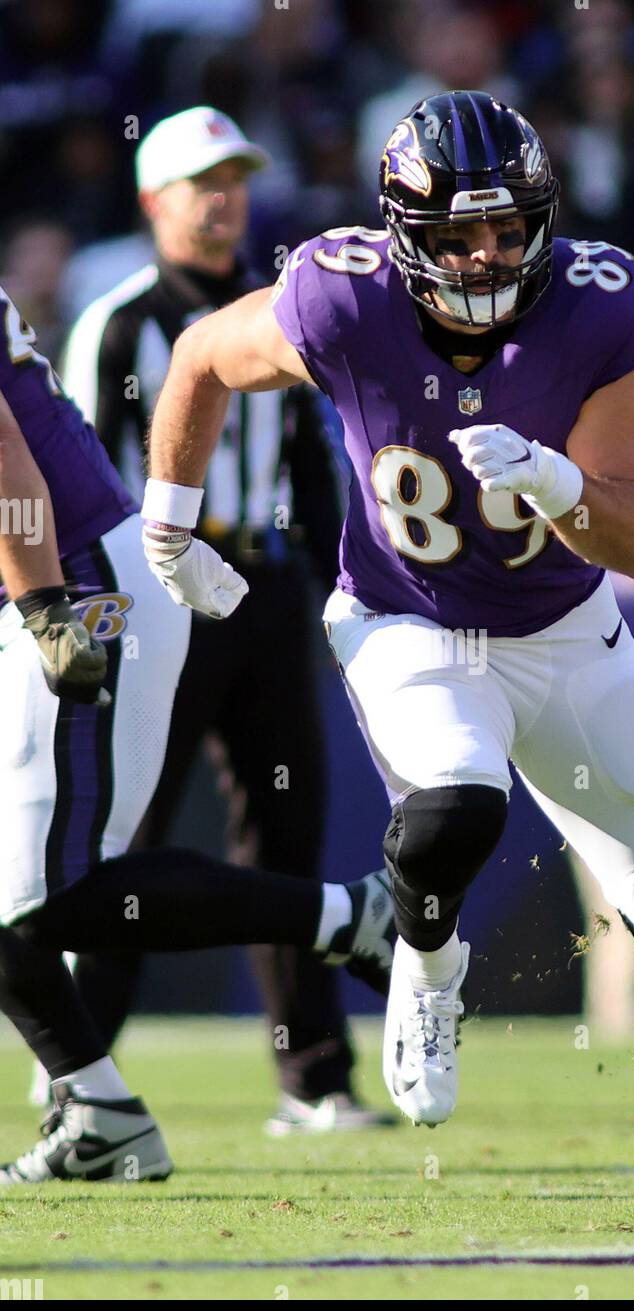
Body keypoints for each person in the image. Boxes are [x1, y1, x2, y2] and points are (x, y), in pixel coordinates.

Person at [142, 90, 634, 1206]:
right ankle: (427, 966)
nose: (486, 255)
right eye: (458, 236)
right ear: (400, 231)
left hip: (568, 630)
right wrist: (167, 522)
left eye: (509, 229)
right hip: (406, 618)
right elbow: (197, 355)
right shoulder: (340, 293)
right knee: (452, 807)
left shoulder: (598, 306)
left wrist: (557, 481)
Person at [0, 276, 393, 1185]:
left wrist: (47, 604)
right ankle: (97, 1107)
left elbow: (5, 449)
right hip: (60, 577)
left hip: (76, 577)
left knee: (47, 896)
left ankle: (347, 914)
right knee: (29, 891)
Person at [60, 105, 385, 1134]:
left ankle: (315, 1080)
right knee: (122, 836)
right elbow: (79, 482)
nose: (223, 198)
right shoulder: (117, 321)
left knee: (287, 831)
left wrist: (346, 580)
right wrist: (92, 618)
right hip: (152, 593)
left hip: (262, 585)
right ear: (154, 200)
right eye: (202, 181)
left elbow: (310, 464)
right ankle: (79, 1063)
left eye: (236, 179)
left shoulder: (276, 315)